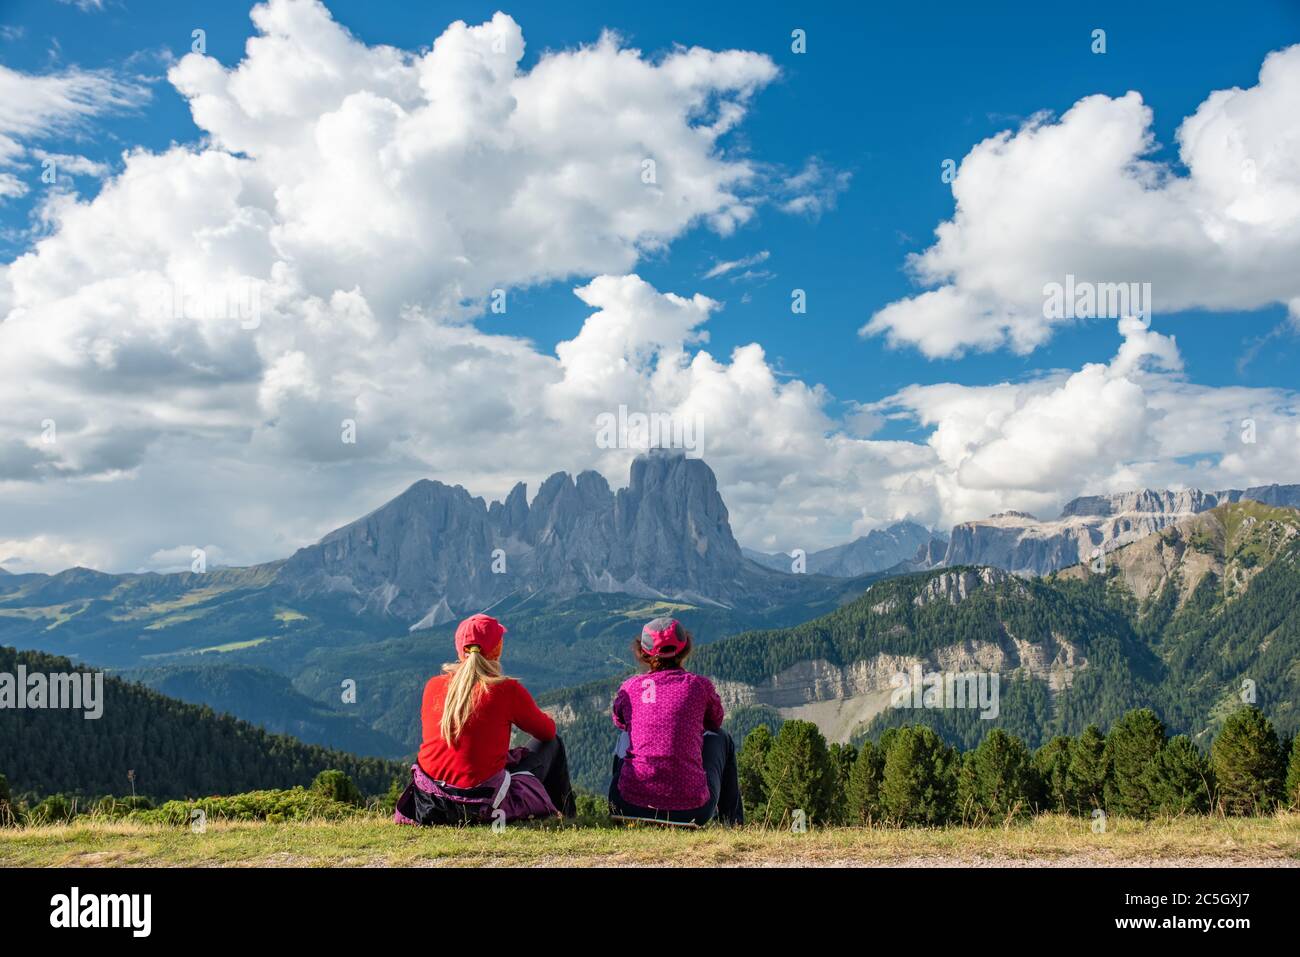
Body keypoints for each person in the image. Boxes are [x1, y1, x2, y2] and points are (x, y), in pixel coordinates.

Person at [394, 613, 575, 826]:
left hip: (429, 804)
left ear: (459, 650)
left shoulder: (433, 685)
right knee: (552, 743)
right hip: (479, 805)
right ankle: (568, 816)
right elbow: (547, 732)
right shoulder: (506, 690)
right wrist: (545, 718)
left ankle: (563, 816)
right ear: (497, 650)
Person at [607, 617, 743, 825]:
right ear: (685, 648)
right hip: (692, 811)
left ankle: (621, 810)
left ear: (643, 653)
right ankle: (732, 823)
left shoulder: (631, 687)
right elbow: (715, 721)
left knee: (626, 733)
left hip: (628, 805)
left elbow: (619, 720)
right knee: (721, 737)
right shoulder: (699, 686)